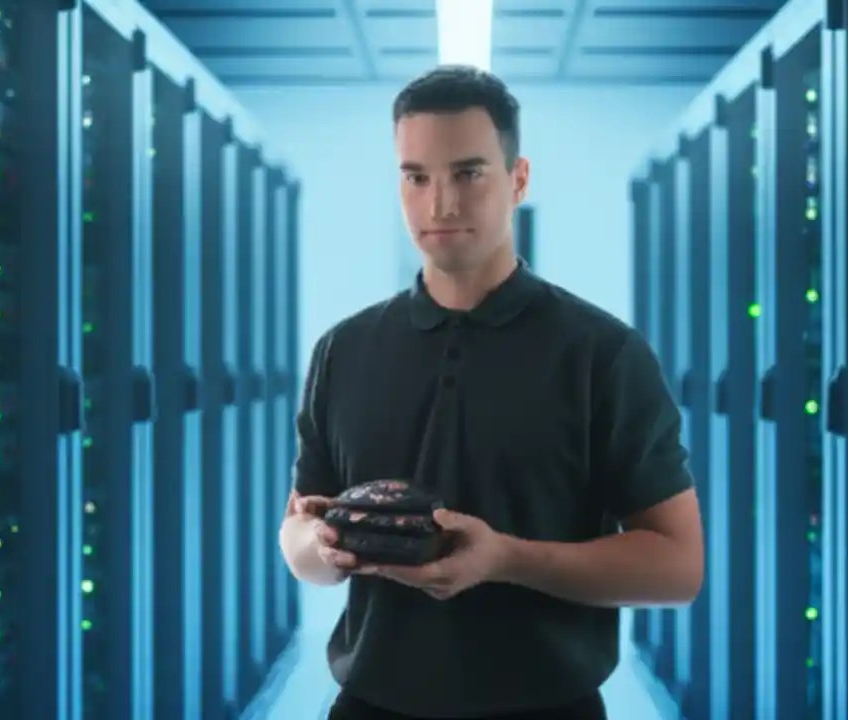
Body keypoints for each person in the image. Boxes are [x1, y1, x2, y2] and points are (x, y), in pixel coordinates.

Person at [277, 65, 705, 720]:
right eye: (416, 176)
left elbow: (678, 568)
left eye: (468, 173)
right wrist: (319, 550)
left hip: (546, 707)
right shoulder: (343, 350)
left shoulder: (602, 353)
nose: (440, 203)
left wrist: (505, 558)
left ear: (519, 179)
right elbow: (299, 530)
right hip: (370, 703)